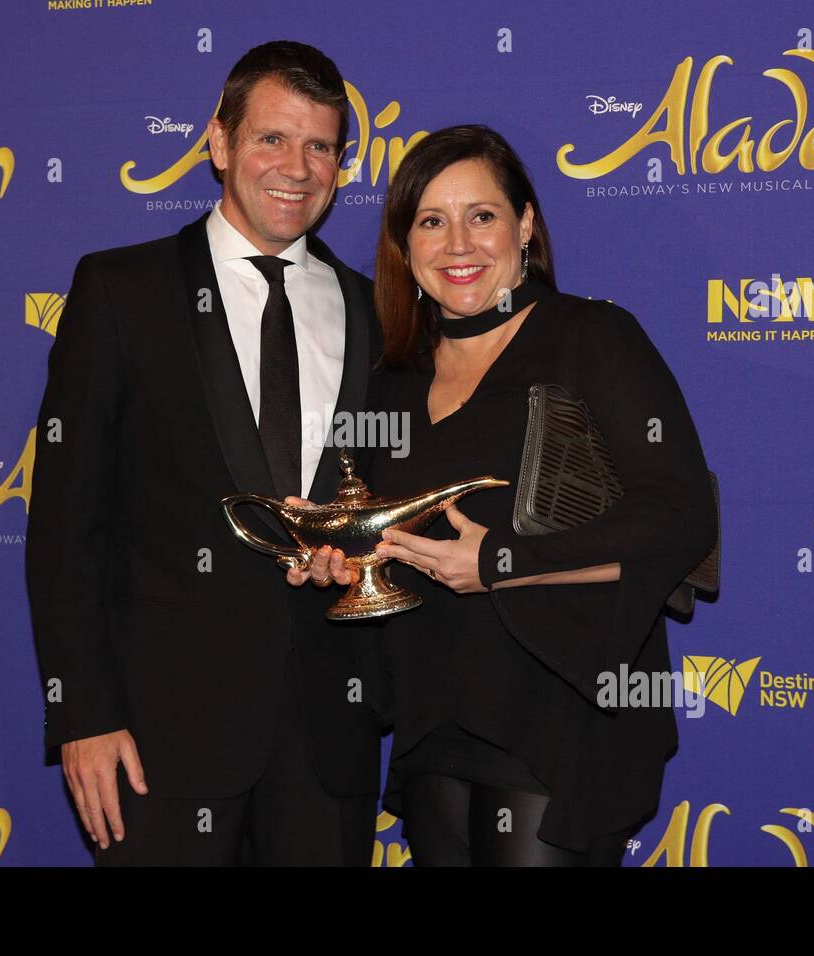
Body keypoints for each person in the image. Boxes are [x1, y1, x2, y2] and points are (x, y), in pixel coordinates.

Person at [291, 125, 717, 865]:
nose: (458, 243)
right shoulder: (392, 377)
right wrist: (334, 555)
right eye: (431, 221)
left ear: (524, 225)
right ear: (404, 245)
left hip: (560, 717)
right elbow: (381, 532)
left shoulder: (592, 336)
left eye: (481, 215)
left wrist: (503, 563)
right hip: (433, 720)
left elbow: (680, 519)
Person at [26, 40, 386, 866]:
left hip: (329, 736)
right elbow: (64, 528)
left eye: (322, 146)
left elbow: (377, 499)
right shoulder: (121, 292)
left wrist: (356, 558)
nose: (298, 167)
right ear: (219, 143)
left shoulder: (375, 315)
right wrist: (83, 712)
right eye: (272, 139)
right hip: (156, 741)